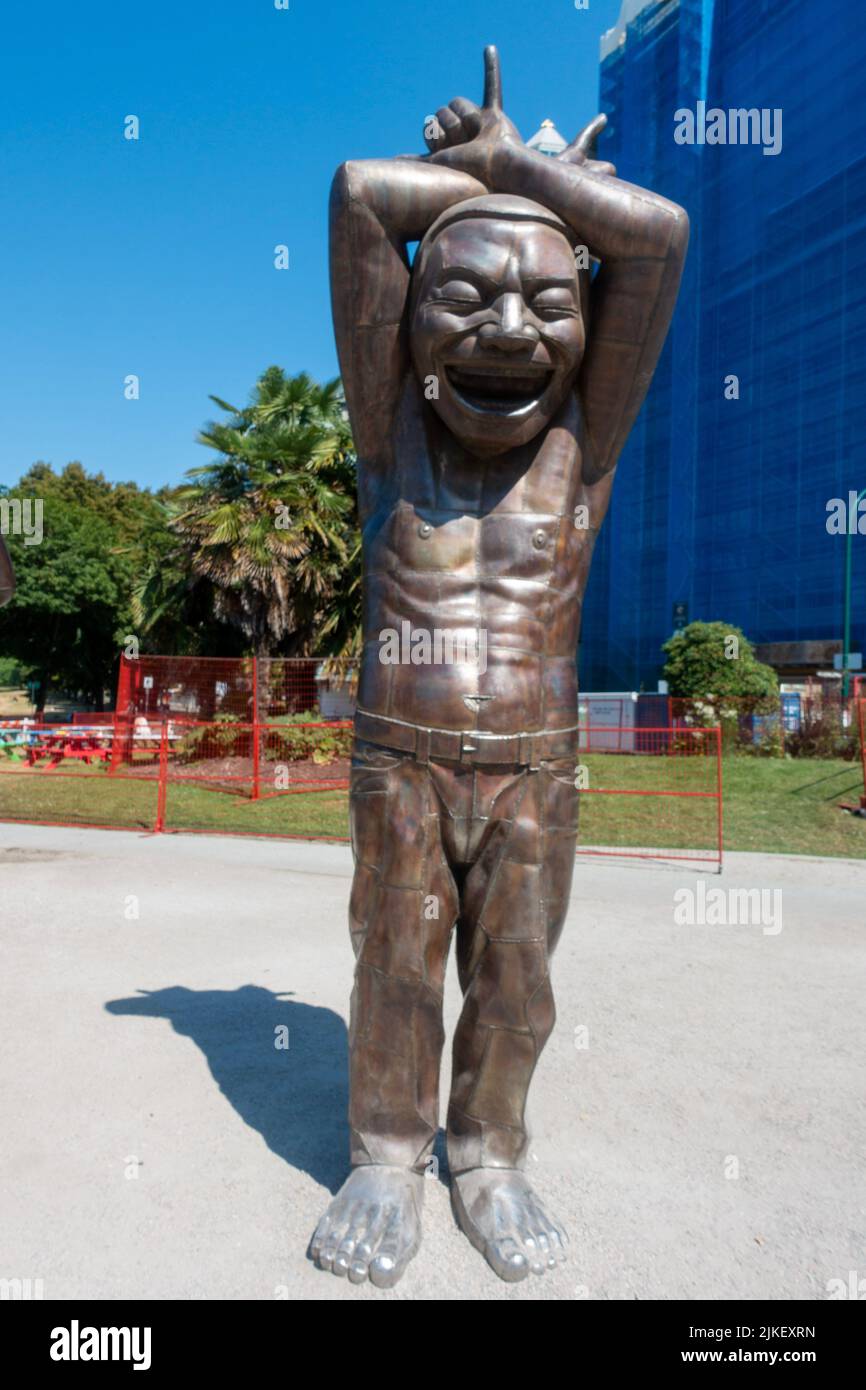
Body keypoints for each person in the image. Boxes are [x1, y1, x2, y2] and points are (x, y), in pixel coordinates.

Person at [310, 47, 688, 1287]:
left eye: (544, 304)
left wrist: (514, 169)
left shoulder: (584, 446)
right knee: (396, 964)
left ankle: (487, 1153)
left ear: (585, 334)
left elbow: (659, 238)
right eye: (463, 297)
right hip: (400, 757)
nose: (506, 333)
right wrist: (469, 178)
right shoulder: (390, 435)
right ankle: (385, 1152)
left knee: (516, 982)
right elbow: (362, 196)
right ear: (410, 319)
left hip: (536, 765)